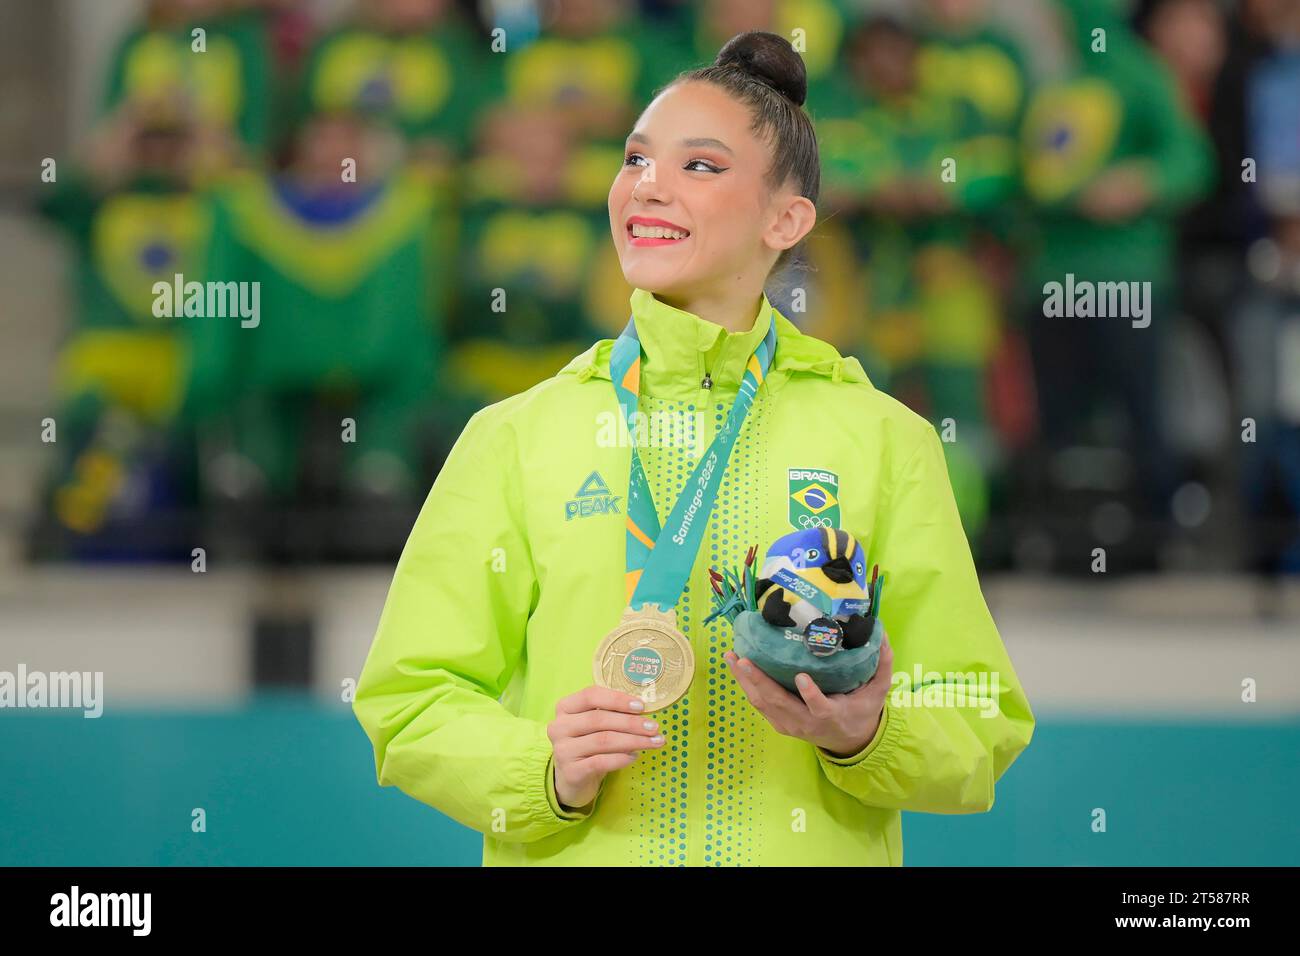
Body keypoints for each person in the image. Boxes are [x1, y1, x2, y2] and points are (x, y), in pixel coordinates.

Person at [353, 30, 1034, 866]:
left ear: (787, 219)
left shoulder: (883, 439)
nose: (648, 187)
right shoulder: (516, 436)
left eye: (700, 167)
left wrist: (868, 733)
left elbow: (978, 713)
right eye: (635, 159)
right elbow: (409, 699)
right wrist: (539, 769)